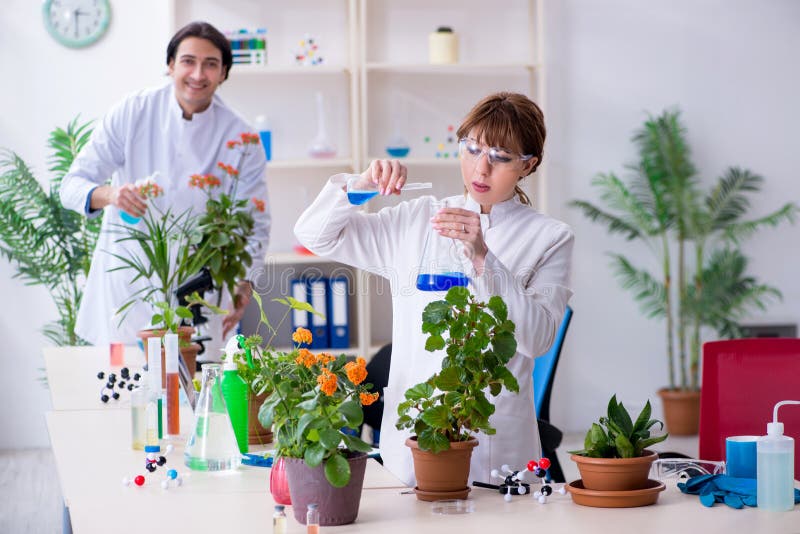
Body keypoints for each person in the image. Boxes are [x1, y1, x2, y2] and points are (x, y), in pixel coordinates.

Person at [294, 92, 574, 487]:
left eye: (500, 157)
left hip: (494, 449)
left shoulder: (549, 237)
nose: (481, 167)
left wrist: (483, 258)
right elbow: (313, 235)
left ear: (528, 164)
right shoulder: (416, 219)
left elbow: (537, 338)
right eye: (472, 148)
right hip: (410, 441)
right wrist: (361, 186)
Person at [60, 21, 270, 359]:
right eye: (188, 61)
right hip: (128, 284)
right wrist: (112, 195)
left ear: (224, 73)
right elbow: (71, 186)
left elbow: (256, 220)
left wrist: (245, 283)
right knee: (121, 395)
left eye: (211, 64)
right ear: (171, 65)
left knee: (196, 396)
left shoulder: (241, 136)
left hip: (200, 289)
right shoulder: (133, 112)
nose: (198, 74)